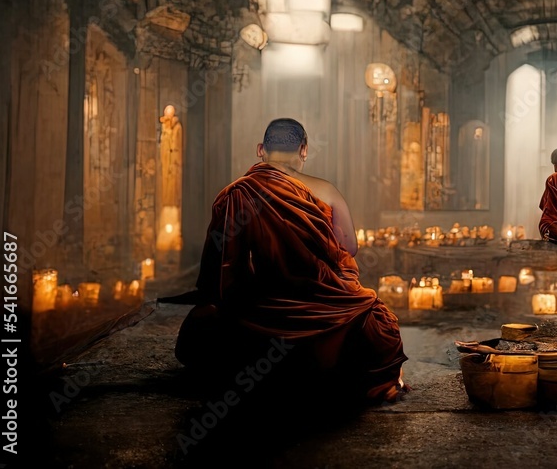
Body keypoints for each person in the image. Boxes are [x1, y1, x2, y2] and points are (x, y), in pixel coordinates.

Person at [173, 118, 408, 403]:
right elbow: (349, 247)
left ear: (260, 150)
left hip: (262, 310)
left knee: (200, 328)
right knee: (378, 324)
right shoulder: (325, 190)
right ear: (304, 150)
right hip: (327, 302)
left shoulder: (237, 192)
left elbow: (221, 266)